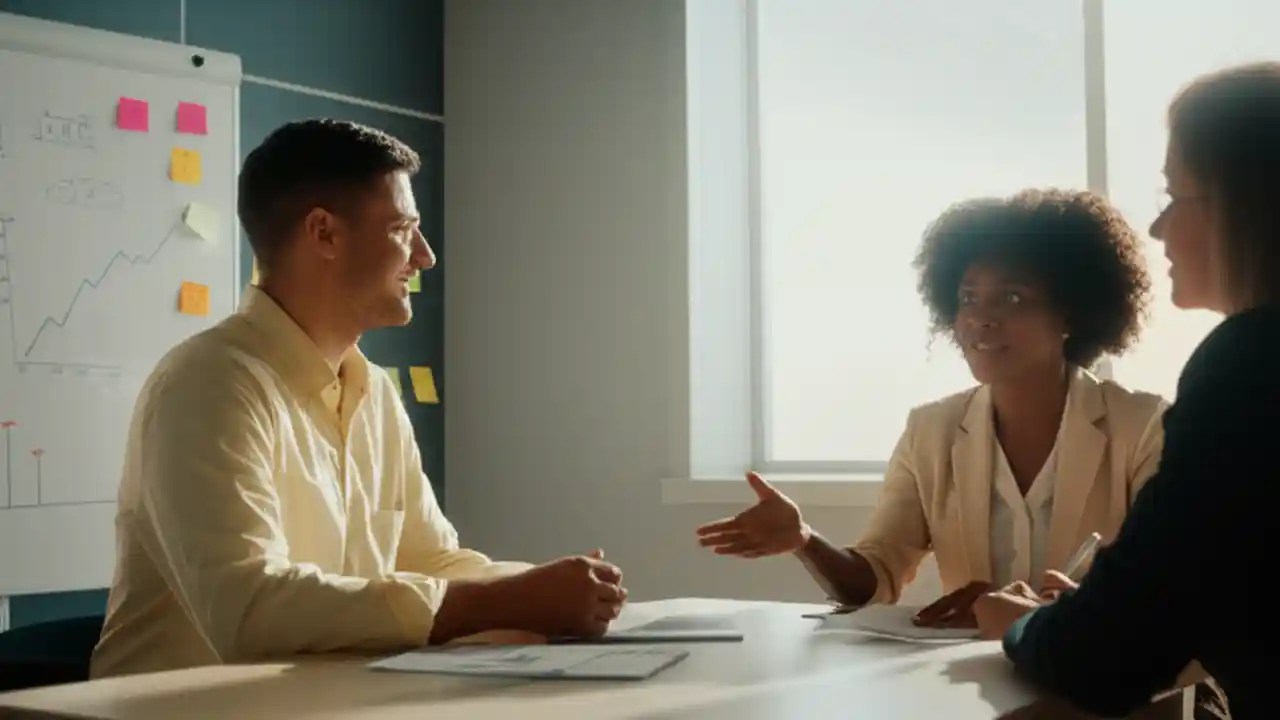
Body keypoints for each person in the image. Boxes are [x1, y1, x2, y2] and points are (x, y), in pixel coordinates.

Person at [90, 119, 627, 678]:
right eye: (402, 229)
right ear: (322, 233)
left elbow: (430, 560)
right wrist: (510, 600)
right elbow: (248, 608)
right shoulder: (207, 385)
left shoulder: (373, 394)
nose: (425, 256)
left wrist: (554, 588)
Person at [696, 188, 1163, 627]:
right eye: (968, 297)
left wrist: (1049, 615)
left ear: (1071, 314)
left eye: (1012, 297)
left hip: (1123, 693)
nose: (981, 316)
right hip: (982, 692)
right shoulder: (929, 432)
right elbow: (874, 579)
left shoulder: (1144, 427)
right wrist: (803, 541)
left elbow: (1171, 588)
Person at [975, 62, 1279, 720]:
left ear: (1247, 203)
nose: (1157, 228)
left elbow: (1113, 653)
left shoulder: (1248, 369)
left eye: (1175, 196)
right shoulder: (934, 428)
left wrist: (1022, 625)